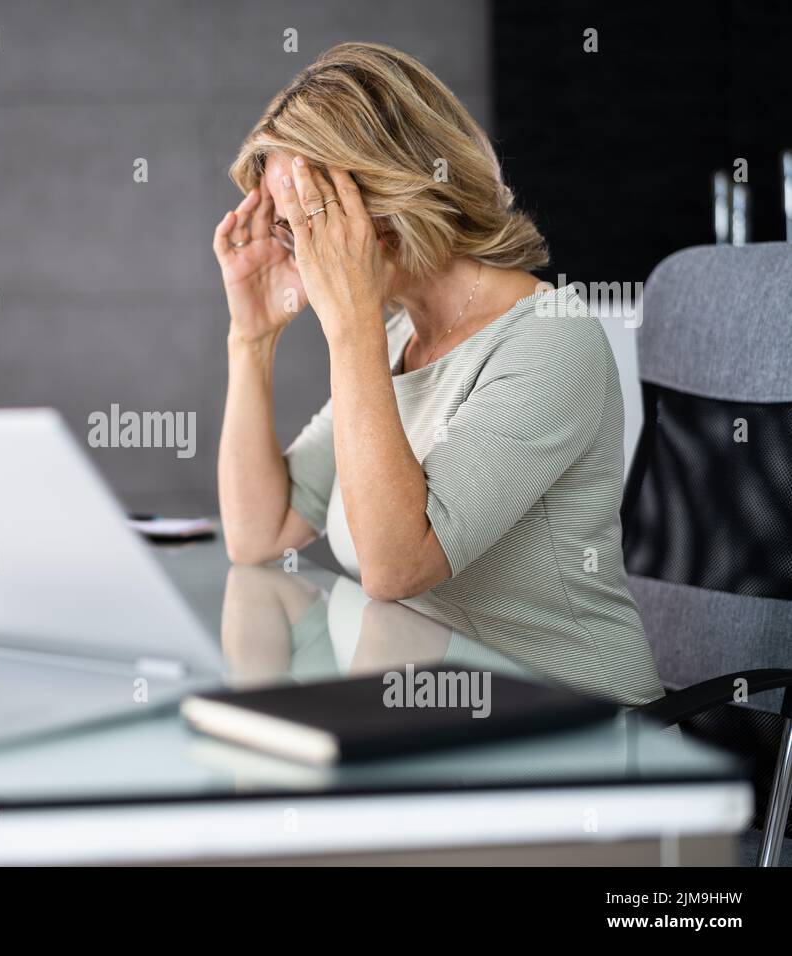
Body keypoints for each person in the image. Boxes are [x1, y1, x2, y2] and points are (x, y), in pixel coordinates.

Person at [214, 42, 661, 705]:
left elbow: (397, 566)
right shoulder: (396, 338)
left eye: (309, 218)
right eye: (287, 227)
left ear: (389, 194)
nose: (300, 249)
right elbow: (260, 534)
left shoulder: (552, 340)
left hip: (584, 739)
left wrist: (352, 324)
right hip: (445, 721)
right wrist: (251, 339)